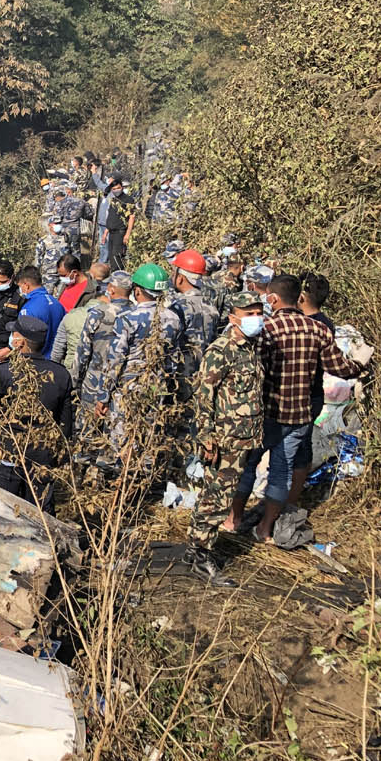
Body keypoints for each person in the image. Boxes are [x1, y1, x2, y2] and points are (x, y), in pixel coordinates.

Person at [229, 274, 371, 542]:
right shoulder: (318, 330)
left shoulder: (266, 330)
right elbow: (340, 369)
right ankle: (265, 529)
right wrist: (361, 363)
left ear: (272, 298)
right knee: (282, 471)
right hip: (300, 415)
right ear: (299, 298)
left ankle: (234, 519)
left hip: (266, 413)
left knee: (249, 465)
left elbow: (247, 369)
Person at [188, 291, 265, 582]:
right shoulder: (221, 351)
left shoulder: (251, 348)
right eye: (249, 314)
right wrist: (206, 436)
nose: (256, 318)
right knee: (216, 499)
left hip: (244, 437)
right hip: (224, 440)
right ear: (234, 318)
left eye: (258, 312)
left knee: (219, 495)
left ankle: (197, 547)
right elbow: (203, 396)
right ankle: (200, 554)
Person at [91, 263, 184, 463]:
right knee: (147, 441)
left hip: (127, 391)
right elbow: (173, 361)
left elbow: (115, 361)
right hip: (155, 389)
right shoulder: (174, 319)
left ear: (138, 290)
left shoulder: (128, 319)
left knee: (122, 443)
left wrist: (103, 396)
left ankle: (122, 484)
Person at [0, 314, 74, 513]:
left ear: (20, 342)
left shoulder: (4, 371)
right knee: (39, 513)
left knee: (2, 511)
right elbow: (65, 423)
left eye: (13, 335)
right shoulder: (60, 374)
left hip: (9, 450)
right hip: (43, 455)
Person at [287, 273, 337, 506]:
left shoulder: (310, 326)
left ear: (303, 297)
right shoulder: (326, 324)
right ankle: (289, 499)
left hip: (299, 396)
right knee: (300, 448)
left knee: (297, 450)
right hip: (313, 395)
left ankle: (287, 499)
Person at [76, 270, 133, 408]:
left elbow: (83, 352)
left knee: (87, 427)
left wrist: (75, 381)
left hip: (94, 383)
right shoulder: (136, 313)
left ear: (111, 289)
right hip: (122, 386)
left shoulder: (98, 313)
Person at [167, 248, 221, 388]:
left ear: (180, 278)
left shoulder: (178, 307)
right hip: (205, 373)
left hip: (181, 377)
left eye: (173, 273)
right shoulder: (210, 305)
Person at [52, 261, 108, 369]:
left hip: (73, 343)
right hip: (61, 333)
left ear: (74, 273)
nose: (61, 278)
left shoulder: (92, 290)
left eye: (63, 275)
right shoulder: (65, 284)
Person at [13, 266, 65, 356]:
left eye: (20, 286)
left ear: (26, 285)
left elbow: (25, 342)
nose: (20, 290)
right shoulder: (56, 303)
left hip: (37, 359)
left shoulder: (28, 309)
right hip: (55, 359)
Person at [97, 178, 134, 270]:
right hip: (111, 232)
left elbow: (131, 217)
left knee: (117, 256)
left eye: (118, 188)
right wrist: (105, 232)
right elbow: (111, 217)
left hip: (120, 232)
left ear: (122, 187)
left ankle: (119, 277)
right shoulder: (113, 200)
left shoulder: (128, 200)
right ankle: (114, 275)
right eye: (114, 189)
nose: (116, 190)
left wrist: (127, 234)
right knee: (111, 256)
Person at [35, 220, 70, 296]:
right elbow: (39, 257)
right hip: (49, 274)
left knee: (62, 296)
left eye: (60, 223)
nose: (59, 225)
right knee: (46, 296)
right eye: (56, 223)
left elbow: (70, 252)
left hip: (64, 273)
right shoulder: (44, 240)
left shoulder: (65, 237)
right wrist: (36, 272)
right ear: (50, 225)